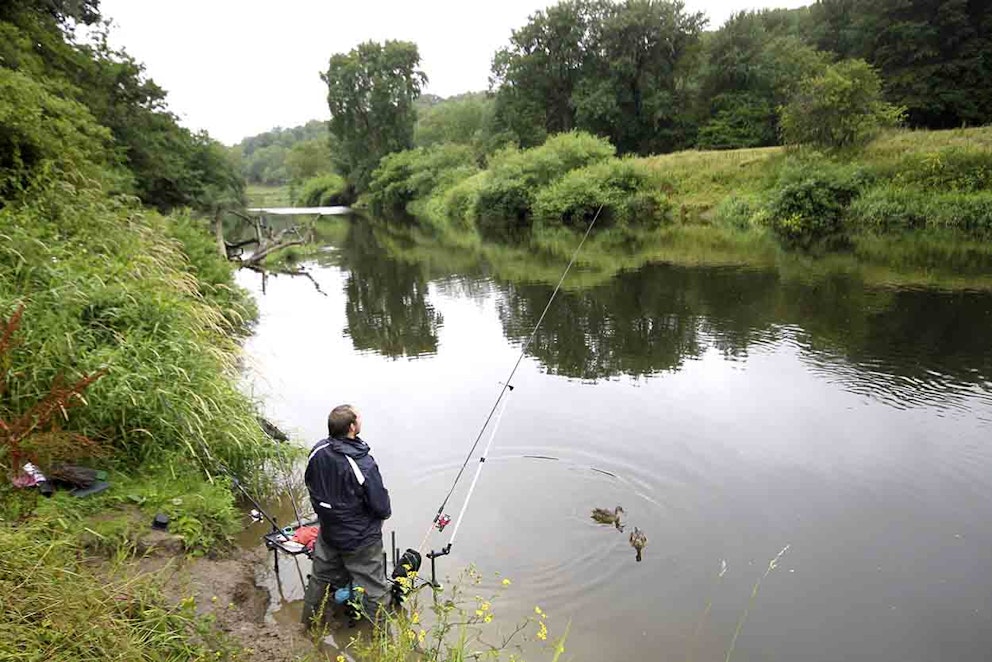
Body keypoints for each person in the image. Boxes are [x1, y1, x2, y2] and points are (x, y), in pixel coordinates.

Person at [301, 404, 391, 628]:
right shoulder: (363, 464)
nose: (361, 419)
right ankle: (382, 643)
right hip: (360, 540)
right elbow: (382, 507)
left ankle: (308, 627)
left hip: (329, 533)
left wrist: (327, 512)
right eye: (358, 417)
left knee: (320, 580)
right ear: (352, 427)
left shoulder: (317, 450)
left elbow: (310, 483)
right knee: (375, 590)